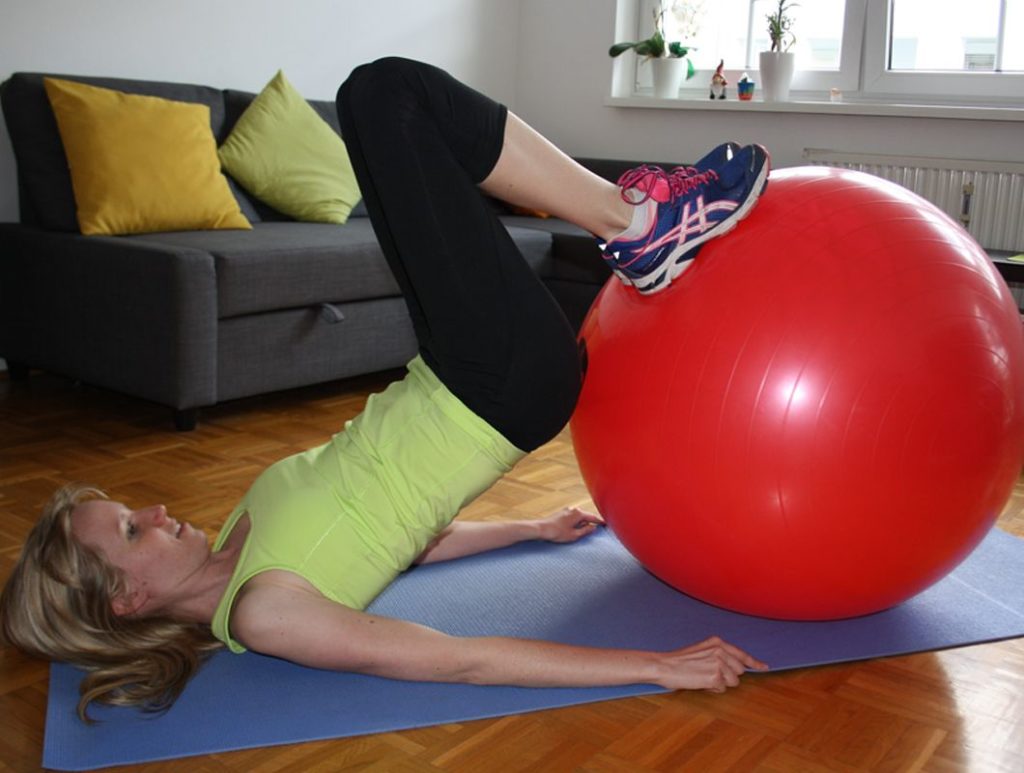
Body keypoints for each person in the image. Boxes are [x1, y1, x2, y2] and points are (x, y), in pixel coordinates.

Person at [0, 58, 770, 721]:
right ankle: (635, 222)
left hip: (450, 369)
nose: (156, 511)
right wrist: (655, 665)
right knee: (386, 96)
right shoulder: (266, 615)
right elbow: (457, 660)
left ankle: (635, 223)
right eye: (133, 531)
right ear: (127, 601)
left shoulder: (237, 536)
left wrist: (529, 530)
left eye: (131, 512)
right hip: (498, 386)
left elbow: (398, 539)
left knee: (373, 105)